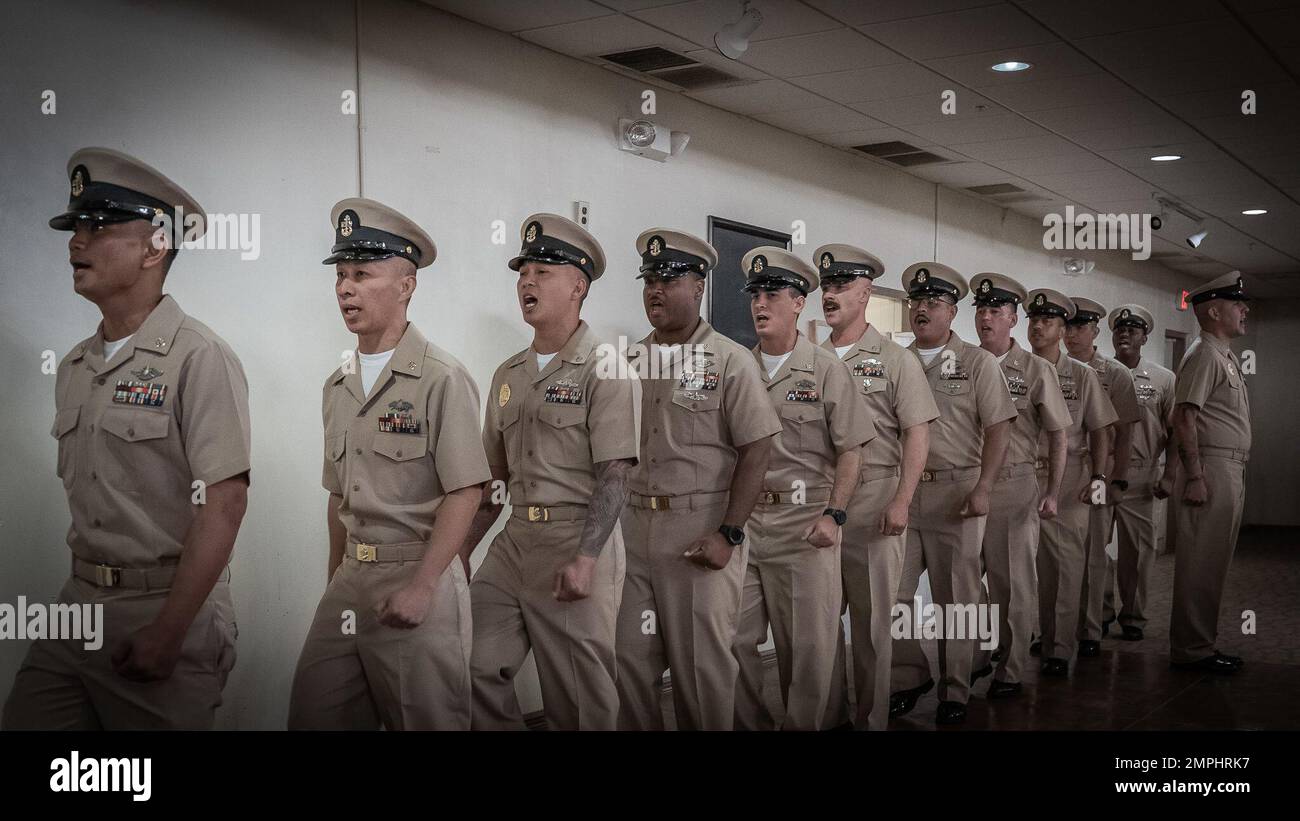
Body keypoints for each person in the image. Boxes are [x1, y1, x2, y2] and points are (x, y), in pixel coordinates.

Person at [3, 147, 250, 729]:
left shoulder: (200, 357)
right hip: (77, 606)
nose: (76, 242)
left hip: (162, 608)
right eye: (76, 226)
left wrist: (170, 630)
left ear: (155, 245)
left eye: (99, 225)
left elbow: (227, 504)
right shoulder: (73, 367)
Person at [288, 197, 489, 730]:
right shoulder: (338, 386)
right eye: (341, 275)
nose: (345, 288)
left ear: (406, 285)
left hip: (417, 571)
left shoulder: (442, 377)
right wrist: (335, 581)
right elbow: (338, 496)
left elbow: (467, 490)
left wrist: (424, 584)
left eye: (363, 274)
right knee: (314, 713)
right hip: (352, 577)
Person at [465, 213, 640, 729]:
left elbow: (615, 474)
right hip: (515, 540)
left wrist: (587, 558)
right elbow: (492, 482)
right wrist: (458, 550)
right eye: (523, 271)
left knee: (578, 700)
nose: (527, 280)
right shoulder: (508, 374)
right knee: (470, 662)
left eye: (543, 269)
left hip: (578, 538)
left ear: (578, 285)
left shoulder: (605, 367)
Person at [616, 228, 780, 731]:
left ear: (699, 286)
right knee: (627, 661)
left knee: (699, 673)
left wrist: (729, 532)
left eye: (670, 278)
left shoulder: (731, 361)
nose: (656, 290)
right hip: (633, 532)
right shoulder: (627, 360)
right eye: (649, 279)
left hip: (699, 531)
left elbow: (758, 449)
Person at [731, 247, 875, 730]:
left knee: (808, 650)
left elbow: (852, 449)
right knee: (733, 640)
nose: (760, 304)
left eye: (773, 293)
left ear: (798, 303)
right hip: (745, 527)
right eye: (755, 294)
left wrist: (834, 514)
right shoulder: (736, 368)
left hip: (804, 525)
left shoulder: (826, 369)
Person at [889, 262, 1015, 725]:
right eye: (916, 302)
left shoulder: (977, 363)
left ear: (952, 311)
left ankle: (955, 690)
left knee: (956, 600)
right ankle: (908, 675)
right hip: (902, 493)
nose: (922, 309)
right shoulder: (894, 360)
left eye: (933, 302)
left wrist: (984, 486)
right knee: (892, 595)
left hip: (956, 494)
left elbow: (999, 429)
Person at [817, 244, 937, 730]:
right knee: (819, 629)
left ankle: (871, 720)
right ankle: (825, 719)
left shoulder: (894, 359)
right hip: (819, 503)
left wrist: (902, 500)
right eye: (825, 286)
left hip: (874, 502)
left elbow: (917, 432)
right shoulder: (811, 358)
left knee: (870, 628)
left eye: (841, 286)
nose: (829, 295)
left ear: (866, 293)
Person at [967, 274, 1070, 699]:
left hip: (1013, 487)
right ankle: (971, 657)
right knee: (964, 582)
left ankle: (1010, 668)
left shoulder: (1035, 369)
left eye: (995, 311)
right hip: (964, 486)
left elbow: (1059, 434)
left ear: (1013, 319)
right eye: (981, 310)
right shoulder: (964, 363)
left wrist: (1052, 491)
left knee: (1012, 583)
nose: (986, 318)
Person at [1025, 290, 1115, 678]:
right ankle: (1035, 634)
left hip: (1069, 478)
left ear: (1062, 329)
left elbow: (1101, 431)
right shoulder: (1014, 369)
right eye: (1033, 320)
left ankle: (1059, 647)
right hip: (1021, 475)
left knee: (1064, 566)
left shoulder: (1082, 376)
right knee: (1024, 567)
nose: (1037, 327)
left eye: (1047, 321)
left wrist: (1098, 479)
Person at [1169, 272, 1251, 674]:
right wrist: (1197, 475)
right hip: (1212, 468)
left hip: (1227, 467)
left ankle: (1199, 643)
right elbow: (1184, 417)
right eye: (1237, 304)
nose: (1244, 310)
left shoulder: (1222, 355)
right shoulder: (1204, 354)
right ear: (1214, 311)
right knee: (1200, 562)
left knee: (1212, 562)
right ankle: (1192, 650)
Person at [1065, 297, 1140, 658]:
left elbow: (1123, 434)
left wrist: (1117, 481)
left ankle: (1090, 628)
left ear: (1095, 331)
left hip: (1099, 471)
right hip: (1059, 472)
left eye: (1080, 326)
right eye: (1068, 326)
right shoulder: (1051, 368)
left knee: (1094, 553)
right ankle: (1057, 629)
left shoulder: (1114, 374)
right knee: (1057, 558)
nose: (1072, 334)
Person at [1107, 304, 1175, 641]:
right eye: (1120, 329)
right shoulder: (1097, 373)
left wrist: (1171, 475)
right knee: (1092, 548)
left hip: (1143, 475)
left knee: (1137, 554)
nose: (1124, 334)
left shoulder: (1163, 379)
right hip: (1101, 475)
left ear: (1144, 337)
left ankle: (1133, 617)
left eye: (1132, 330)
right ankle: (1099, 611)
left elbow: (1176, 431)